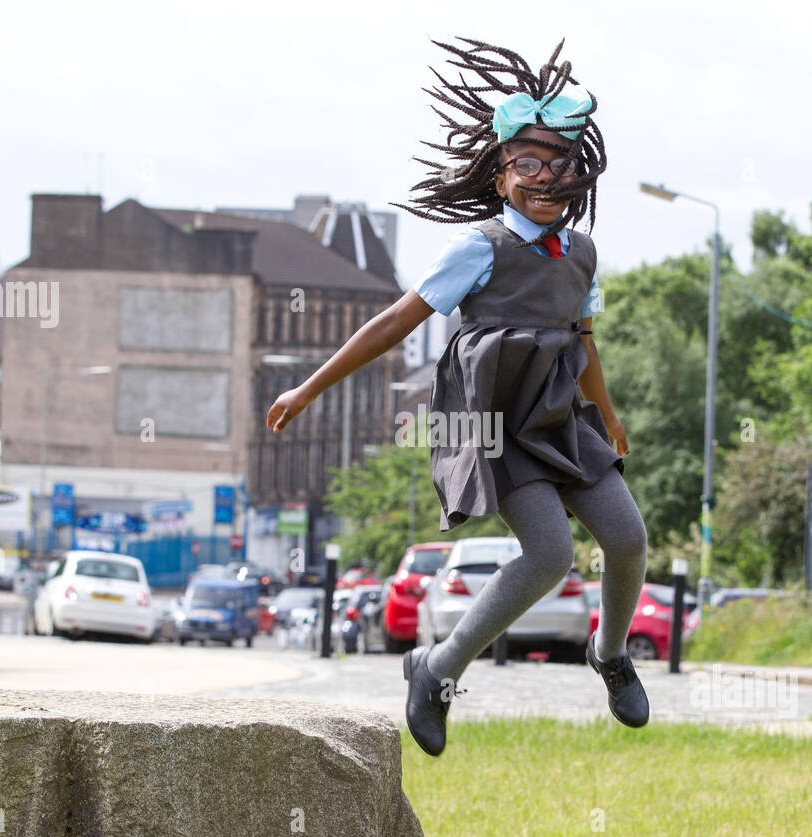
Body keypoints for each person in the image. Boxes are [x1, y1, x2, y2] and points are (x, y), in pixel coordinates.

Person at [266, 38, 648, 757]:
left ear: (579, 172)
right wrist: (310, 385)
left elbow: (583, 340)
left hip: (564, 419)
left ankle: (611, 652)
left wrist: (610, 414)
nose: (543, 176)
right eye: (525, 163)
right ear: (500, 177)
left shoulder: (584, 253)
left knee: (628, 540)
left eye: (557, 162)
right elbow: (392, 324)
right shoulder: (478, 249)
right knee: (550, 554)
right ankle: (436, 672)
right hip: (496, 425)